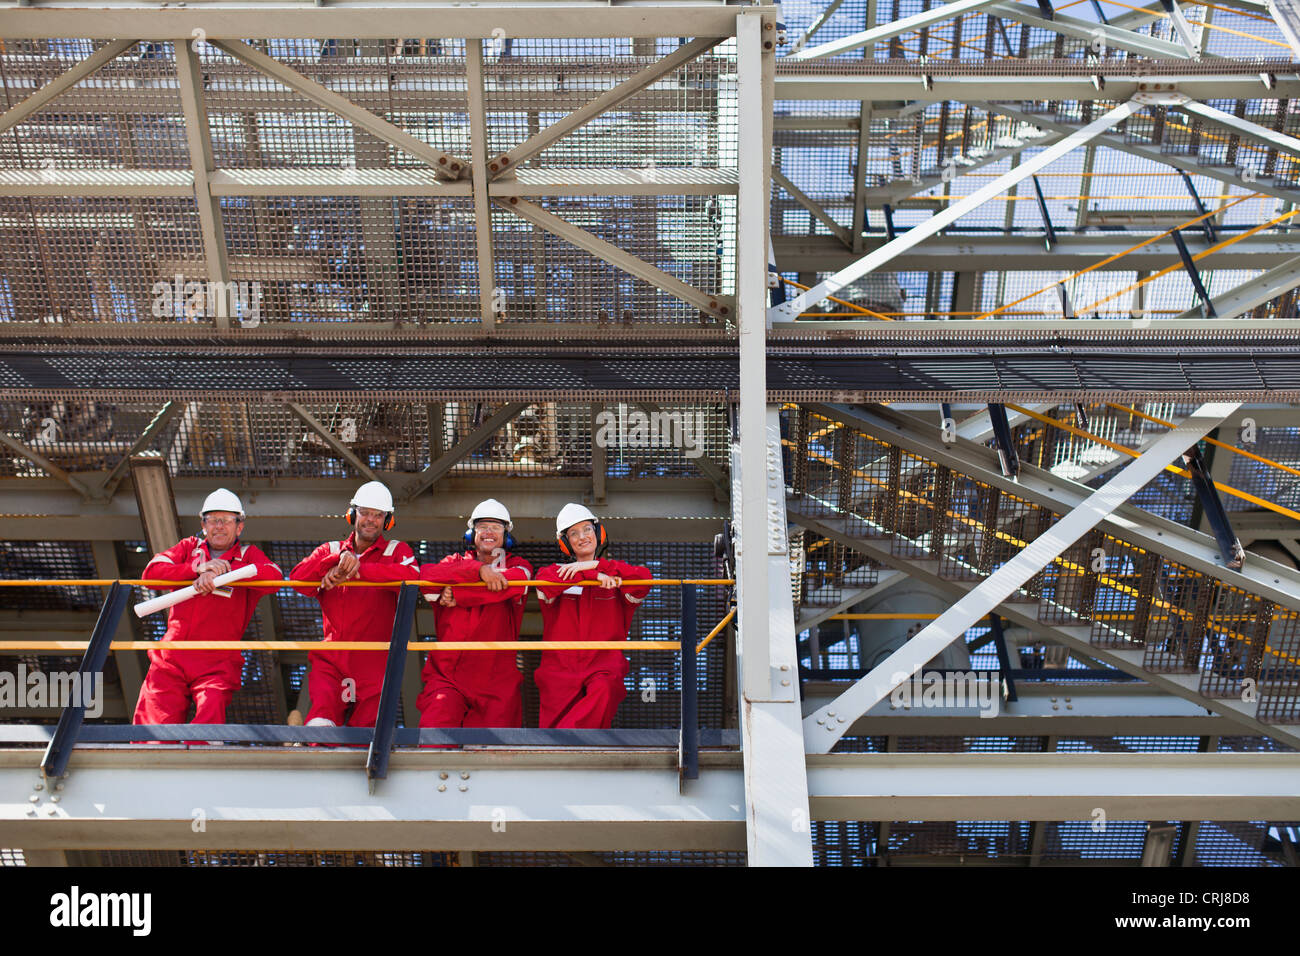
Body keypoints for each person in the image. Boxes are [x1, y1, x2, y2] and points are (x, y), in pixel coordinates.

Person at [133, 489, 282, 725]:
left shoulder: (248, 556)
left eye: (226, 520)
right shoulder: (188, 548)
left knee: (208, 730)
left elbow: (275, 578)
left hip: (217, 661)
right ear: (203, 525)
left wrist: (226, 572)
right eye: (213, 520)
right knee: (152, 732)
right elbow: (151, 574)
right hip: (171, 657)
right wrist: (195, 569)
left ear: (239, 527)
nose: (219, 526)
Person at [290, 481, 418, 728]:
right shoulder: (331, 550)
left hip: (377, 661)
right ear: (352, 514)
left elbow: (413, 579)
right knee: (320, 724)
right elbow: (297, 580)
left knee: (367, 736)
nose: (371, 520)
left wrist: (359, 570)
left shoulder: (397, 551)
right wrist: (335, 561)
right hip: (331, 659)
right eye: (365, 513)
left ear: (387, 520)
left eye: (378, 515)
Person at [417, 499, 532, 730]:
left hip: (497, 682)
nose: (489, 532)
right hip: (447, 677)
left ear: (506, 535)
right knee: (433, 741)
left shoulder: (520, 566)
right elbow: (426, 575)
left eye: (497, 527)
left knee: (496, 757)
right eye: (482, 526)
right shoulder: (453, 562)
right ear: (472, 533)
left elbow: (515, 582)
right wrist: (478, 570)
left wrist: (458, 593)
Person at [534, 503, 650, 729]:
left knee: (605, 689)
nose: (582, 537)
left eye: (587, 529)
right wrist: (591, 573)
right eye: (573, 533)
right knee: (552, 735)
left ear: (598, 533)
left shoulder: (616, 575)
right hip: (559, 669)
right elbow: (546, 581)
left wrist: (598, 567)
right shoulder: (555, 573)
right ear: (565, 543)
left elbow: (644, 578)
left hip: (603, 665)